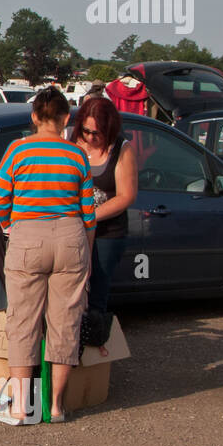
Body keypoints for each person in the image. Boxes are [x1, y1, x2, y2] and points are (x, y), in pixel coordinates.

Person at [0, 87, 95, 424]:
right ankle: (57, 407)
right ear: (66, 119)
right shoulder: (77, 155)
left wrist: (13, 226)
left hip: (27, 235)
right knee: (65, 324)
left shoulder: (18, 151)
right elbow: (89, 211)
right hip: (70, 237)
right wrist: (86, 252)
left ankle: (21, 408)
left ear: (34, 117)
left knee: (23, 322)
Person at [73, 96, 138, 317]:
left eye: (96, 133)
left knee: (97, 292)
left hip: (107, 234)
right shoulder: (71, 142)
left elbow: (125, 196)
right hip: (71, 230)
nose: (90, 138)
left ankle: (94, 338)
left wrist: (90, 216)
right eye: (86, 131)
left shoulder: (122, 149)